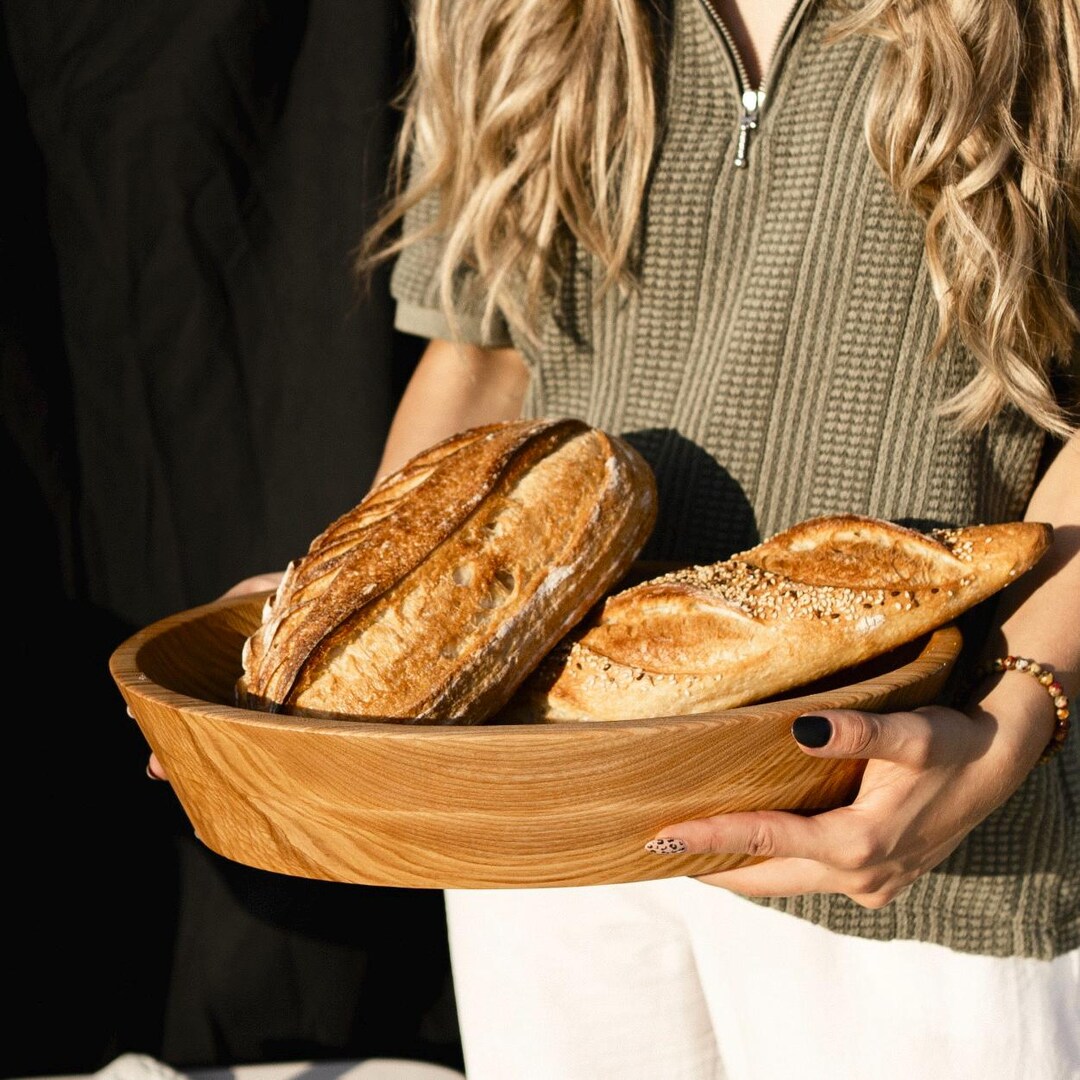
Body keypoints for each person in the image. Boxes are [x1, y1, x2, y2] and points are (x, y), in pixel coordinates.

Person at [152, 0, 1079, 1077]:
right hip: (548, 807)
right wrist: (351, 617)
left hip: (923, 824)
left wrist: (1023, 709)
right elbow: (490, 355)